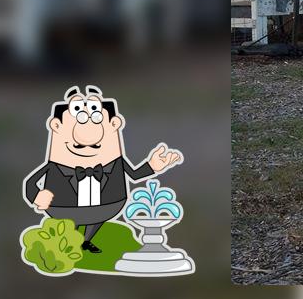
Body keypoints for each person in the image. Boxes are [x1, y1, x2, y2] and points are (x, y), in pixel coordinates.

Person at [22, 86, 183, 253]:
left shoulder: (116, 162)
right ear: (56, 126)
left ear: (114, 124)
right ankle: (70, 241)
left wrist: (152, 166)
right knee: (71, 226)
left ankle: (85, 241)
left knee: (95, 219)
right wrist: (35, 196)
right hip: (64, 206)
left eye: (97, 118)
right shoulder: (54, 167)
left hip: (106, 205)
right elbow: (31, 183)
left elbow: (134, 175)